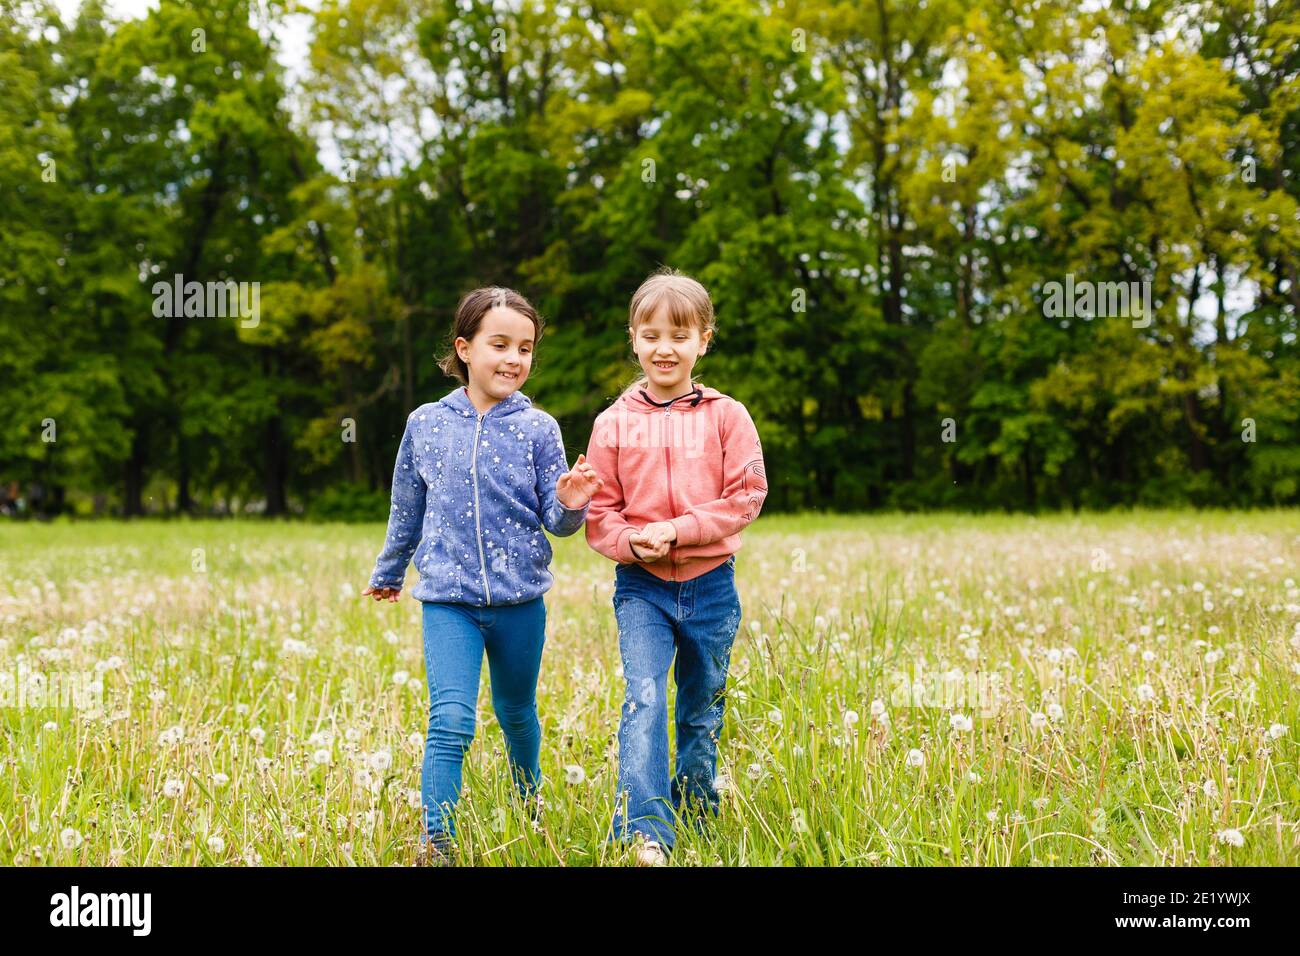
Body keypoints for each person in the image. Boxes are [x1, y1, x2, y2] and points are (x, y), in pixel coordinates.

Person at [363, 287, 603, 865]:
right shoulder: (425, 424)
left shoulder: (540, 428)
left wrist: (571, 502)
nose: (514, 358)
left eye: (525, 348)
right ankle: (437, 842)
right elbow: (406, 509)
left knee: (518, 710)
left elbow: (557, 520)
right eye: (500, 344)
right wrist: (390, 570)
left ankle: (529, 805)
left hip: (521, 602)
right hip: (449, 601)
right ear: (464, 349)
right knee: (450, 718)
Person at [583, 268, 768, 866]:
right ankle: (645, 830)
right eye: (652, 334)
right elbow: (600, 514)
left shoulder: (727, 417)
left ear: (704, 340)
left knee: (700, 704)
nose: (665, 348)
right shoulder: (612, 423)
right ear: (633, 339)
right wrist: (631, 543)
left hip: (712, 585)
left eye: (680, 335)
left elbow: (747, 496)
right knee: (642, 697)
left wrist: (679, 530)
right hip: (642, 587)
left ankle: (696, 806)